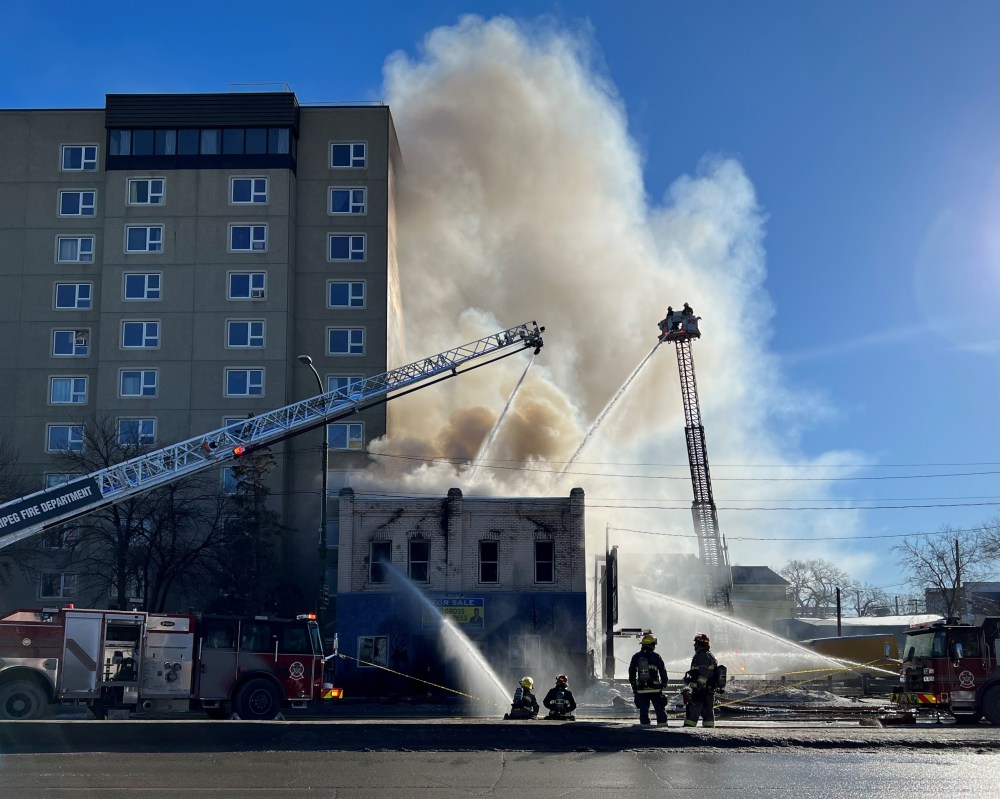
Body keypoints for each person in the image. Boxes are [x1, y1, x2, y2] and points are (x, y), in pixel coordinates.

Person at [628, 633, 668, 725]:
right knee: (659, 709)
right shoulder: (656, 656)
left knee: (643, 711)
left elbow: (631, 673)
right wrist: (664, 683)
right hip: (655, 688)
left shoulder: (636, 657)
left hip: (641, 688)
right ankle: (663, 728)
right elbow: (663, 671)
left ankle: (645, 730)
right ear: (652, 645)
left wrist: (634, 686)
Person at [683, 632, 719, 728]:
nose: (694, 646)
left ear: (699, 644)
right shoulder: (709, 655)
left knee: (692, 713)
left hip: (701, 691)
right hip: (708, 690)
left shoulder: (702, 656)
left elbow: (703, 674)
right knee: (708, 714)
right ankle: (709, 732)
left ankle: (687, 733)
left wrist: (699, 687)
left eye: (695, 644)